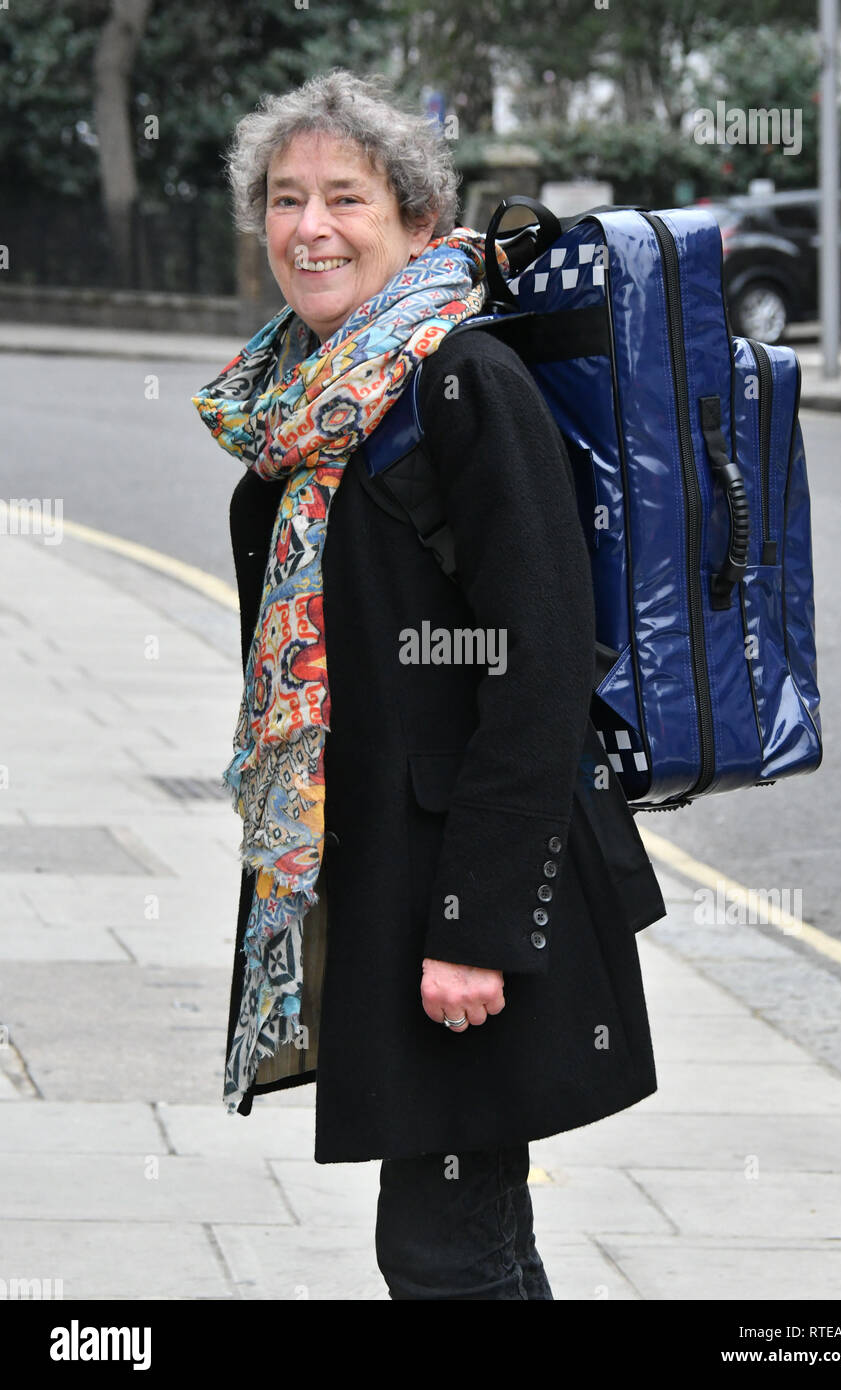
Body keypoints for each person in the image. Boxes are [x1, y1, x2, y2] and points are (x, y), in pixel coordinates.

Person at [191, 67, 666, 1301]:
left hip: (472, 884)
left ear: (412, 215)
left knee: (448, 1251)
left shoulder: (460, 380)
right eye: (285, 199)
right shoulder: (301, 406)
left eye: (344, 197)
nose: (309, 227)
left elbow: (544, 665)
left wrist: (479, 928)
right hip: (388, 874)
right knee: (469, 1244)